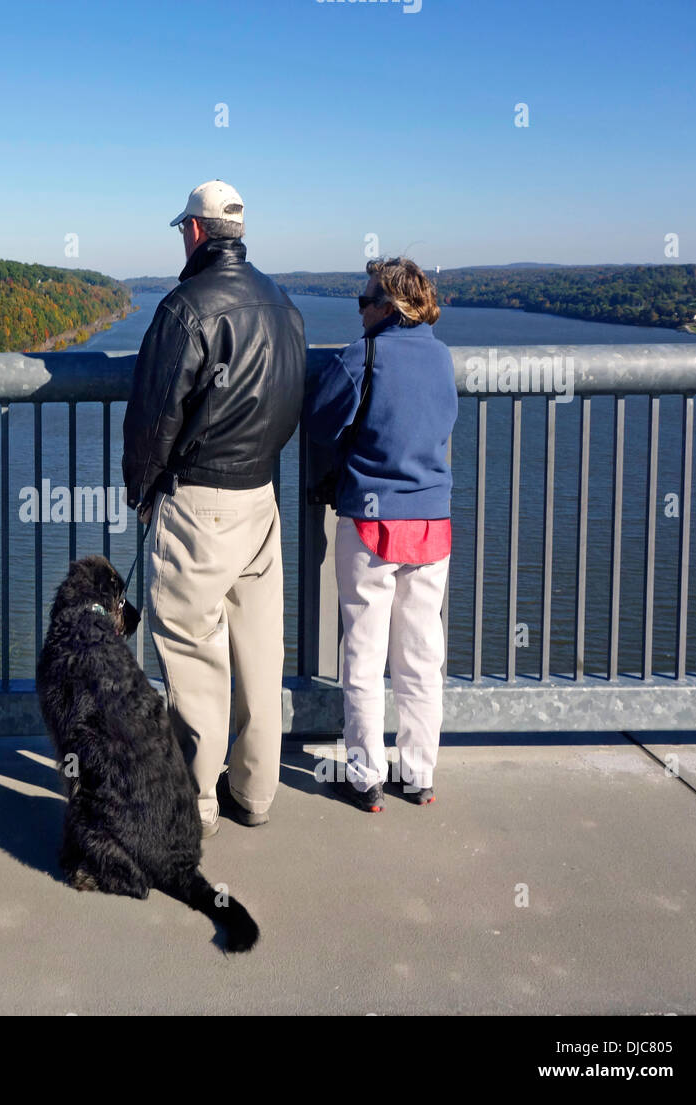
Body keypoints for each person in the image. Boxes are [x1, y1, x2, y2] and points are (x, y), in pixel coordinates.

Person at [123, 180, 306, 837]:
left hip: (198, 502)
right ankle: (255, 793)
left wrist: (140, 489)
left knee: (196, 658)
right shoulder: (284, 306)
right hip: (261, 499)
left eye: (182, 230)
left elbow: (153, 416)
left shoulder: (183, 310)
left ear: (196, 232)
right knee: (258, 651)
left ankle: (195, 806)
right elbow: (289, 400)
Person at [302, 257, 457, 812]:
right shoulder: (441, 357)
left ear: (388, 307)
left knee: (364, 655)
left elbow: (321, 420)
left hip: (371, 522)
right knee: (419, 656)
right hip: (432, 523)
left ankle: (366, 776)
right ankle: (418, 773)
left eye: (365, 301)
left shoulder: (364, 355)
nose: (360, 311)